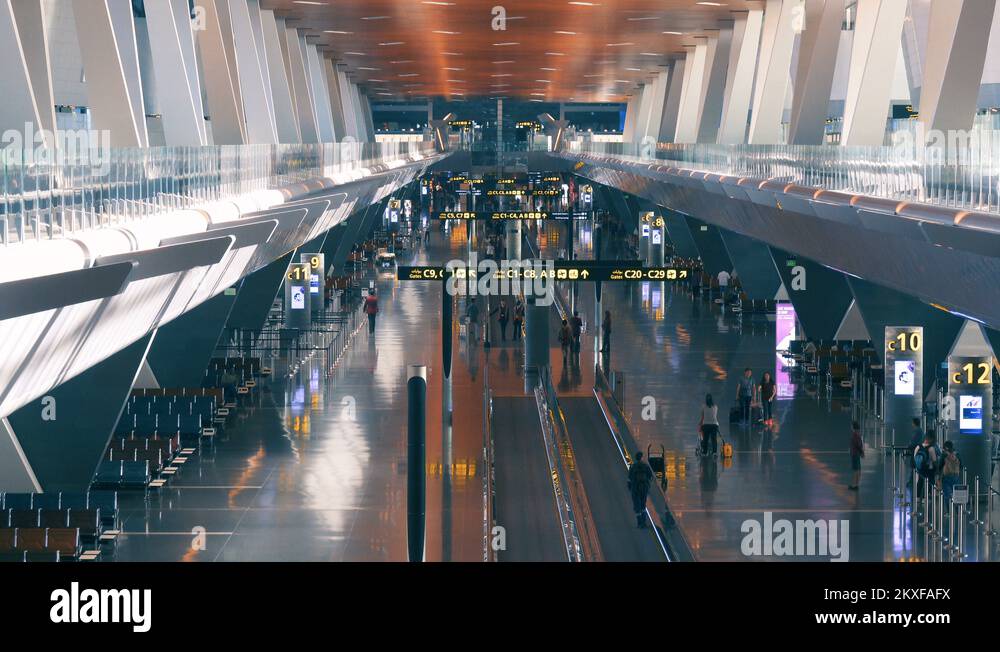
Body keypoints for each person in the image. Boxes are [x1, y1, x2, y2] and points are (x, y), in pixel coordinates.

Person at [627, 451, 654, 528]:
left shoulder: (633, 466)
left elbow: (629, 479)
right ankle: (644, 522)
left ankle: (639, 523)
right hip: (644, 488)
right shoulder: (646, 466)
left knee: (637, 506)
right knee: (643, 505)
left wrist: (630, 488)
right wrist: (647, 485)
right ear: (641, 457)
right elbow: (651, 477)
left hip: (635, 488)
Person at [913, 432, 941, 496]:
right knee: (930, 484)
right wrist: (937, 469)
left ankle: (918, 498)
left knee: (920, 483)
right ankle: (930, 497)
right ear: (931, 439)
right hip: (929, 470)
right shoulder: (931, 448)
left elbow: (915, 458)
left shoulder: (918, 447)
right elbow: (934, 461)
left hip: (920, 470)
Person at [849, 421, 864, 490]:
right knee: (858, 469)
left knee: (856, 470)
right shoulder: (858, 434)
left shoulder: (855, 435)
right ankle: (856, 484)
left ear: (853, 427)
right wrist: (861, 452)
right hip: (857, 454)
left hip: (855, 454)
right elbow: (859, 445)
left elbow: (857, 445)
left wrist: (861, 452)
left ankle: (854, 485)